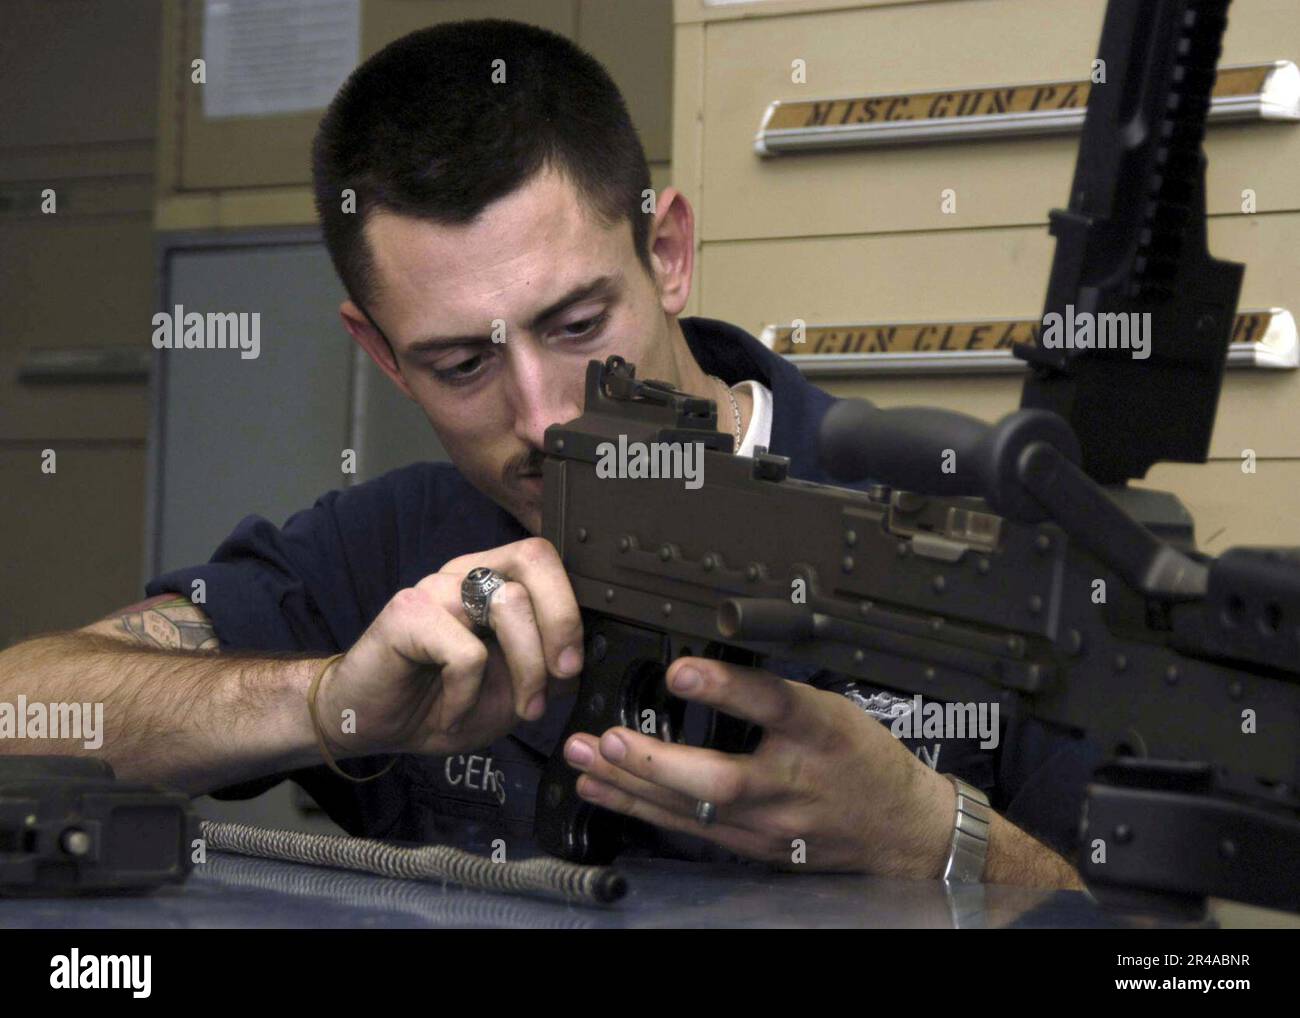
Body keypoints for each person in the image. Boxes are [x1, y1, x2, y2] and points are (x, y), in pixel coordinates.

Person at [0, 19, 1094, 889]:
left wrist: (935, 839)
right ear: (380, 355)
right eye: (460, 366)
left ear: (666, 253)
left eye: (578, 326)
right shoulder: (389, 549)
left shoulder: (979, 537)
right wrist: (329, 702)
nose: (544, 417)